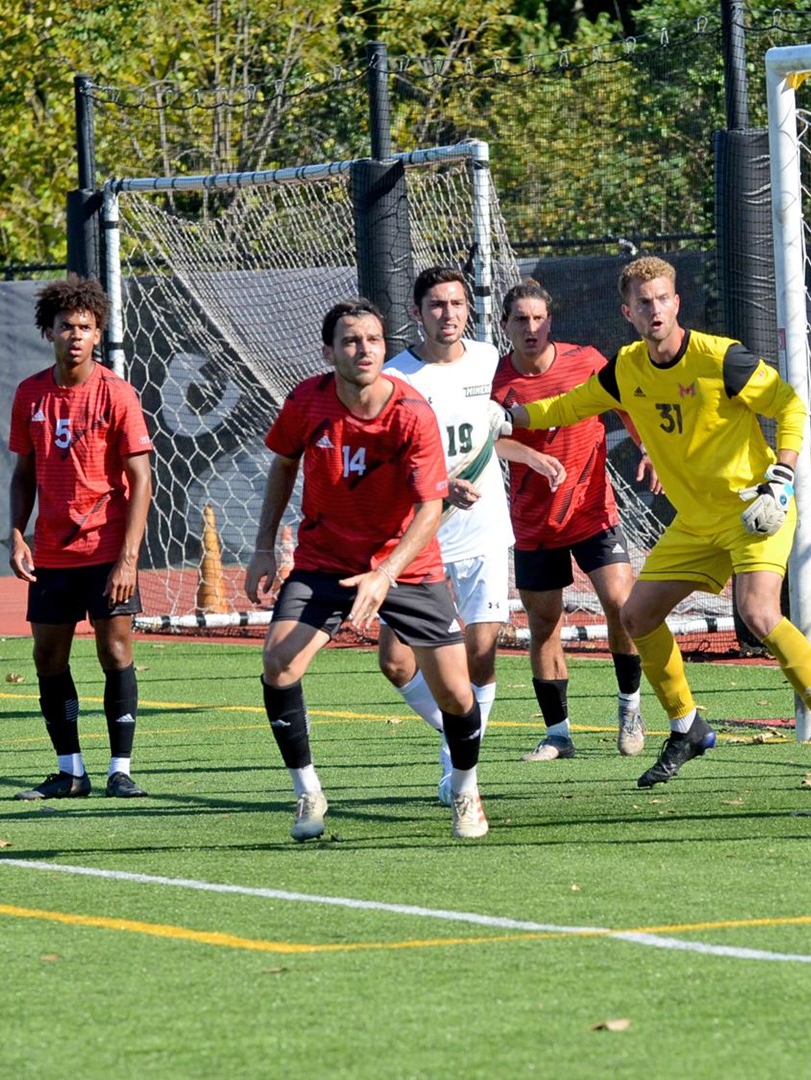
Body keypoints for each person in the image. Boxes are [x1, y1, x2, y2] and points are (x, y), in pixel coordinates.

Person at [506, 256, 811, 790]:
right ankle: (687, 726)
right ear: (627, 312)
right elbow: (566, 406)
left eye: (663, 299)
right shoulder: (625, 369)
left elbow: (790, 405)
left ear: (677, 303)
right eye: (643, 303)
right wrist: (512, 416)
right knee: (637, 617)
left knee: (758, 614)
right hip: (695, 523)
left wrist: (782, 475)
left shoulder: (720, 357)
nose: (654, 310)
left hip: (753, 508)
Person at [246, 297, 490, 841]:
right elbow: (284, 462)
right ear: (329, 350)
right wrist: (264, 546)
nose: (365, 349)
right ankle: (308, 793)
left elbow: (431, 507)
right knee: (279, 663)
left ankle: (466, 788)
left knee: (455, 693)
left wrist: (386, 573)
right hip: (324, 561)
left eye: (374, 340)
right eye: (352, 341)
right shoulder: (307, 402)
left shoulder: (411, 411)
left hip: (408, 565)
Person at [381, 267, 554, 800]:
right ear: (417, 313)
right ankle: (462, 734)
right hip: (421, 537)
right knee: (395, 661)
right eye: (436, 305)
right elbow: (391, 463)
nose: (448, 313)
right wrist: (436, 485)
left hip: (481, 533)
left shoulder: (488, 362)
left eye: (456, 303)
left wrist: (529, 454)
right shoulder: (396, 378)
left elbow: (490, 435)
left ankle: (461, 772)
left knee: (479, 654)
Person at [7, 275, 155, 800]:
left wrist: (127, 559)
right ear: (48, 331)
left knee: (115, 653)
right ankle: (71, 772)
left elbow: (141, 480)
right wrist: (18, 535)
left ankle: (121, 768)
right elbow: (24, 475)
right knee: (48, 658)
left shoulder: (117, 393)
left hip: (107, 549)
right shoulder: (30, 393)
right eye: (67, 326)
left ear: (99, 334)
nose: (76, 335)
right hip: (50, 552)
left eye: (86, 327)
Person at [492, 279, 649, 761]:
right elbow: (489, 439)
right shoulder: (496, 381)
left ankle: (630, 709)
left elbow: (630, 407)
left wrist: (649, 450)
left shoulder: (587, 362)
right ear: (507, 326)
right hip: (534, 523)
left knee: (624, 606)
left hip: (592, 512)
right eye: (522, 319)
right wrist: (531, 458)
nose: (532, 328)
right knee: (544, 625)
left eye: (539, 318)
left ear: (550, 322)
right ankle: (558, 734)